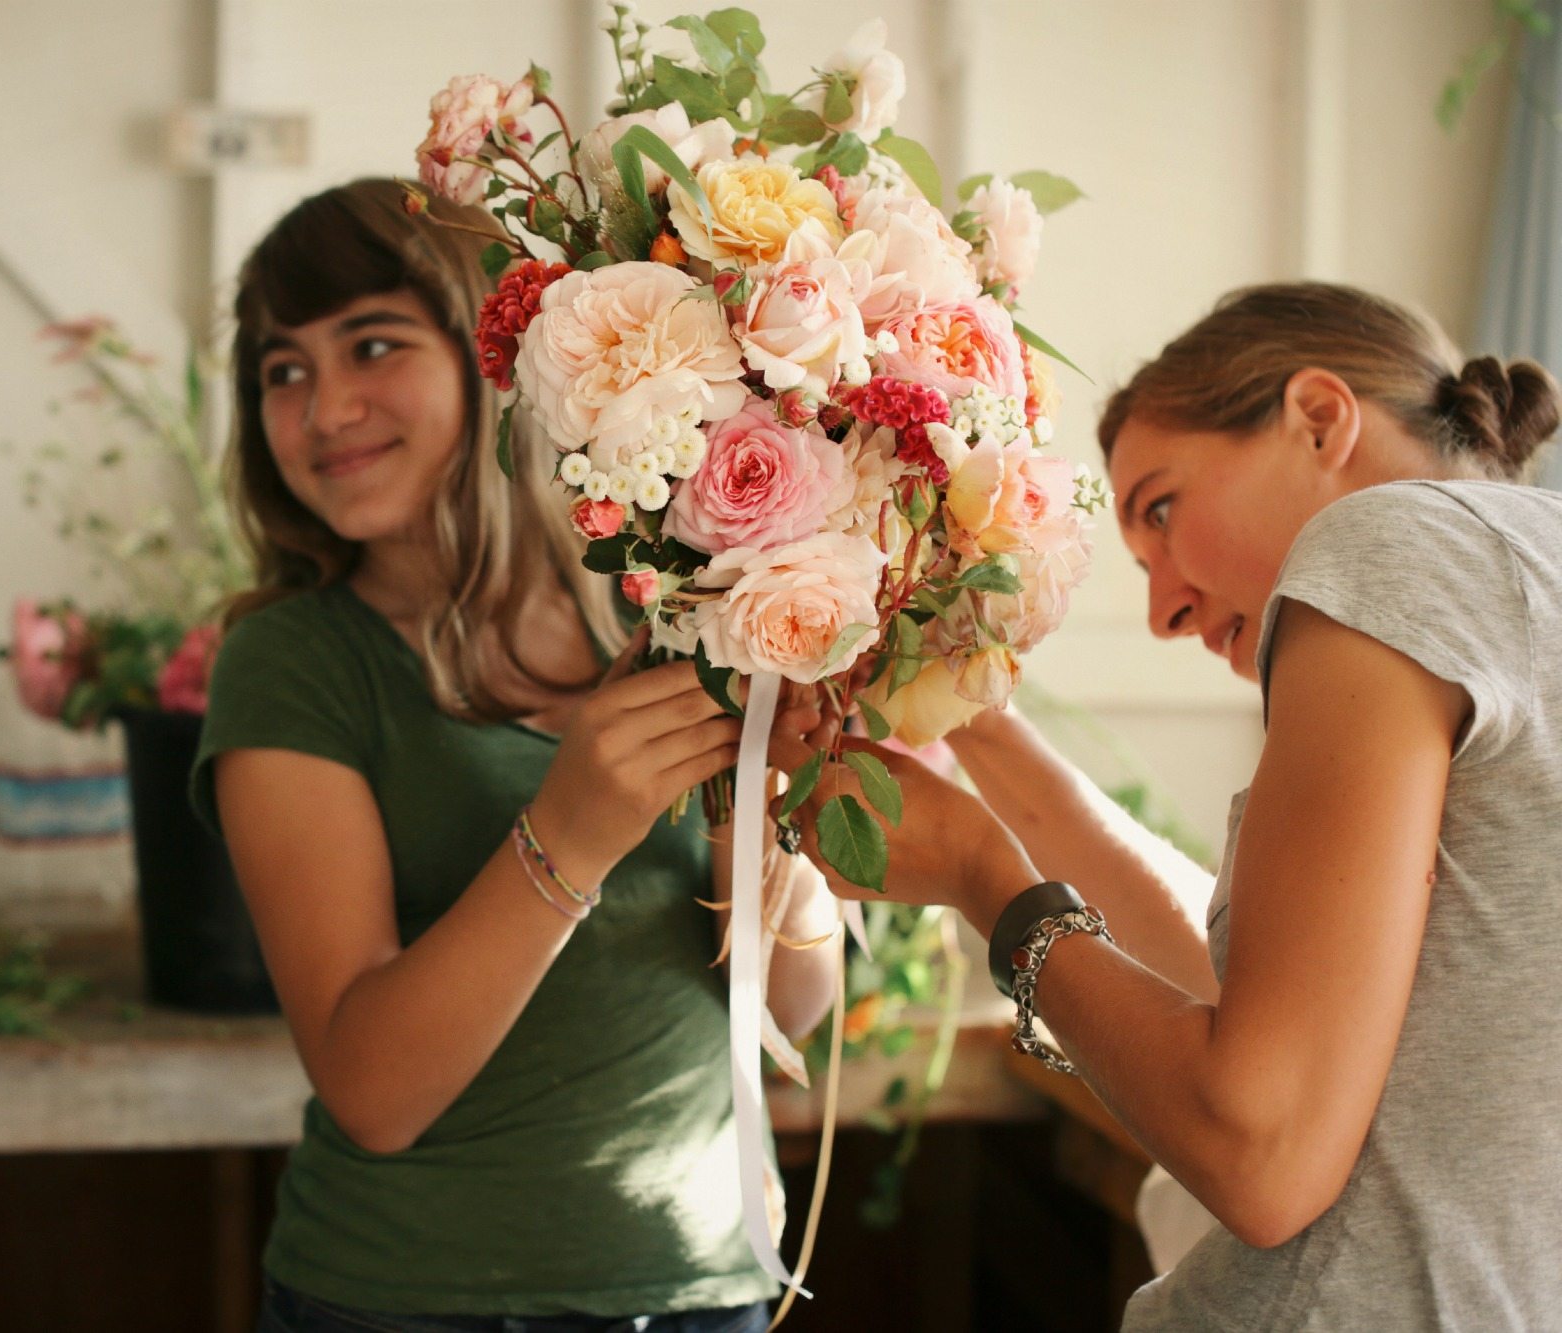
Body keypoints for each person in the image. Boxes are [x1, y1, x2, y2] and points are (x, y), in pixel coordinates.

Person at [778, 283, 1562, 1328]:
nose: (1162, 612)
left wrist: (982, 877)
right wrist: (967, 711)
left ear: (1319, 418)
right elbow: (1257, 1000)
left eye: (1160, 507)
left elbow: (1261, 1148)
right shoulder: (1525, 578)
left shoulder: (1389, 542)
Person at [191, 178, 841, 1333]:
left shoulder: (672, 612)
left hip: (713, 1291)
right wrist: (569, 834)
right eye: (281, 370)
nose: (323, 405)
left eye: (371, 345)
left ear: (495, 357)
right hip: (408, 1306)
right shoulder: (296, 665)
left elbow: (792, 1004)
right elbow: (372, 1092)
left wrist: (762, 808)